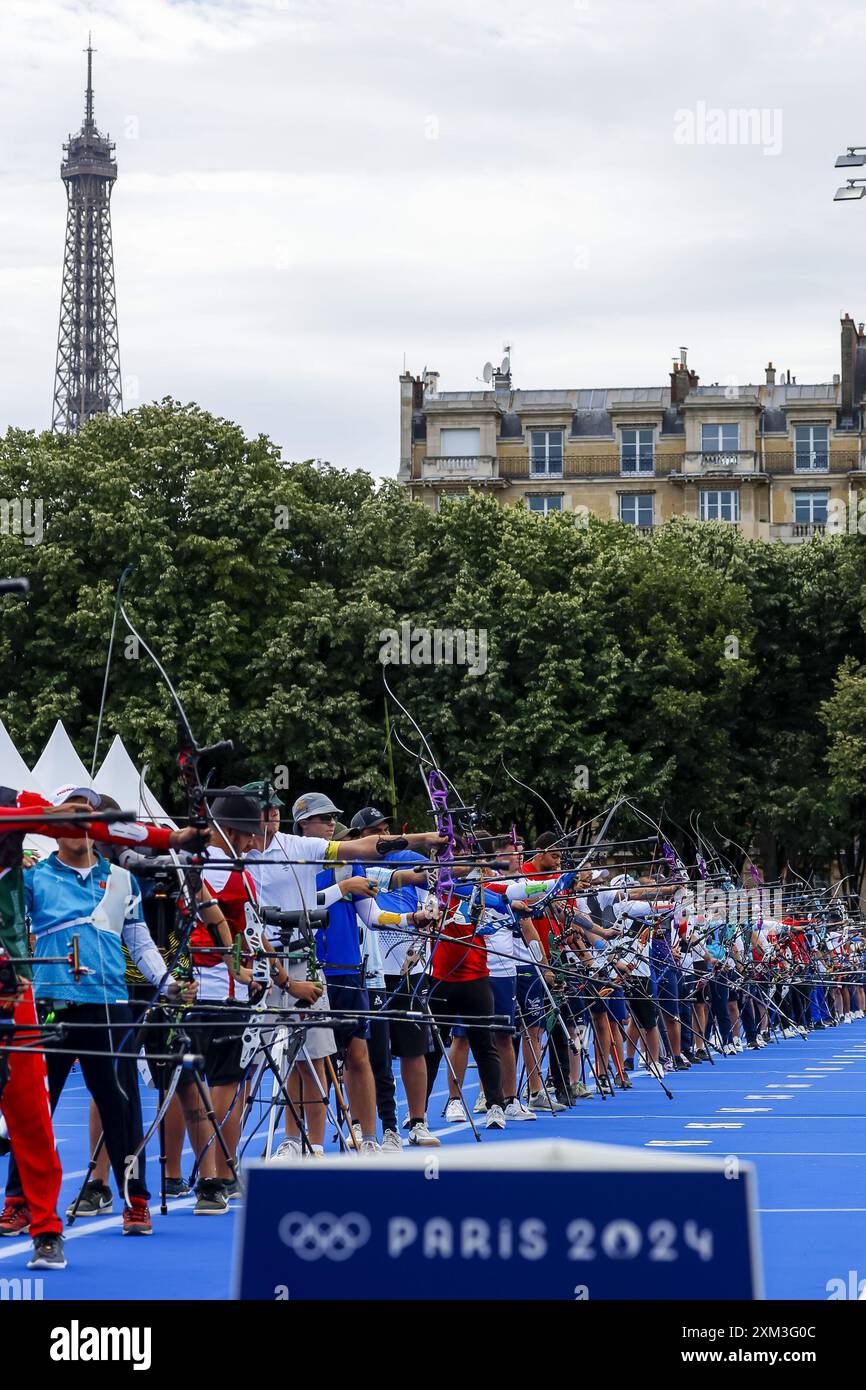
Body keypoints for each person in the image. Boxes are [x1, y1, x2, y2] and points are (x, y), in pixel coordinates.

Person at [1, 791, 191, 1240]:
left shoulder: (122, 879)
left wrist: (166, 984)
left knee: (121, 1107)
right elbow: (10, 923)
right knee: (34, 1110)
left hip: (109, 1006)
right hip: (49, 1004)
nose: (80, 826)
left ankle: (136, 1201)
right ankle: (19, 1203)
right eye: (73, 815)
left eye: (90, 816)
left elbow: (140, 940)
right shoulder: (35, 877)